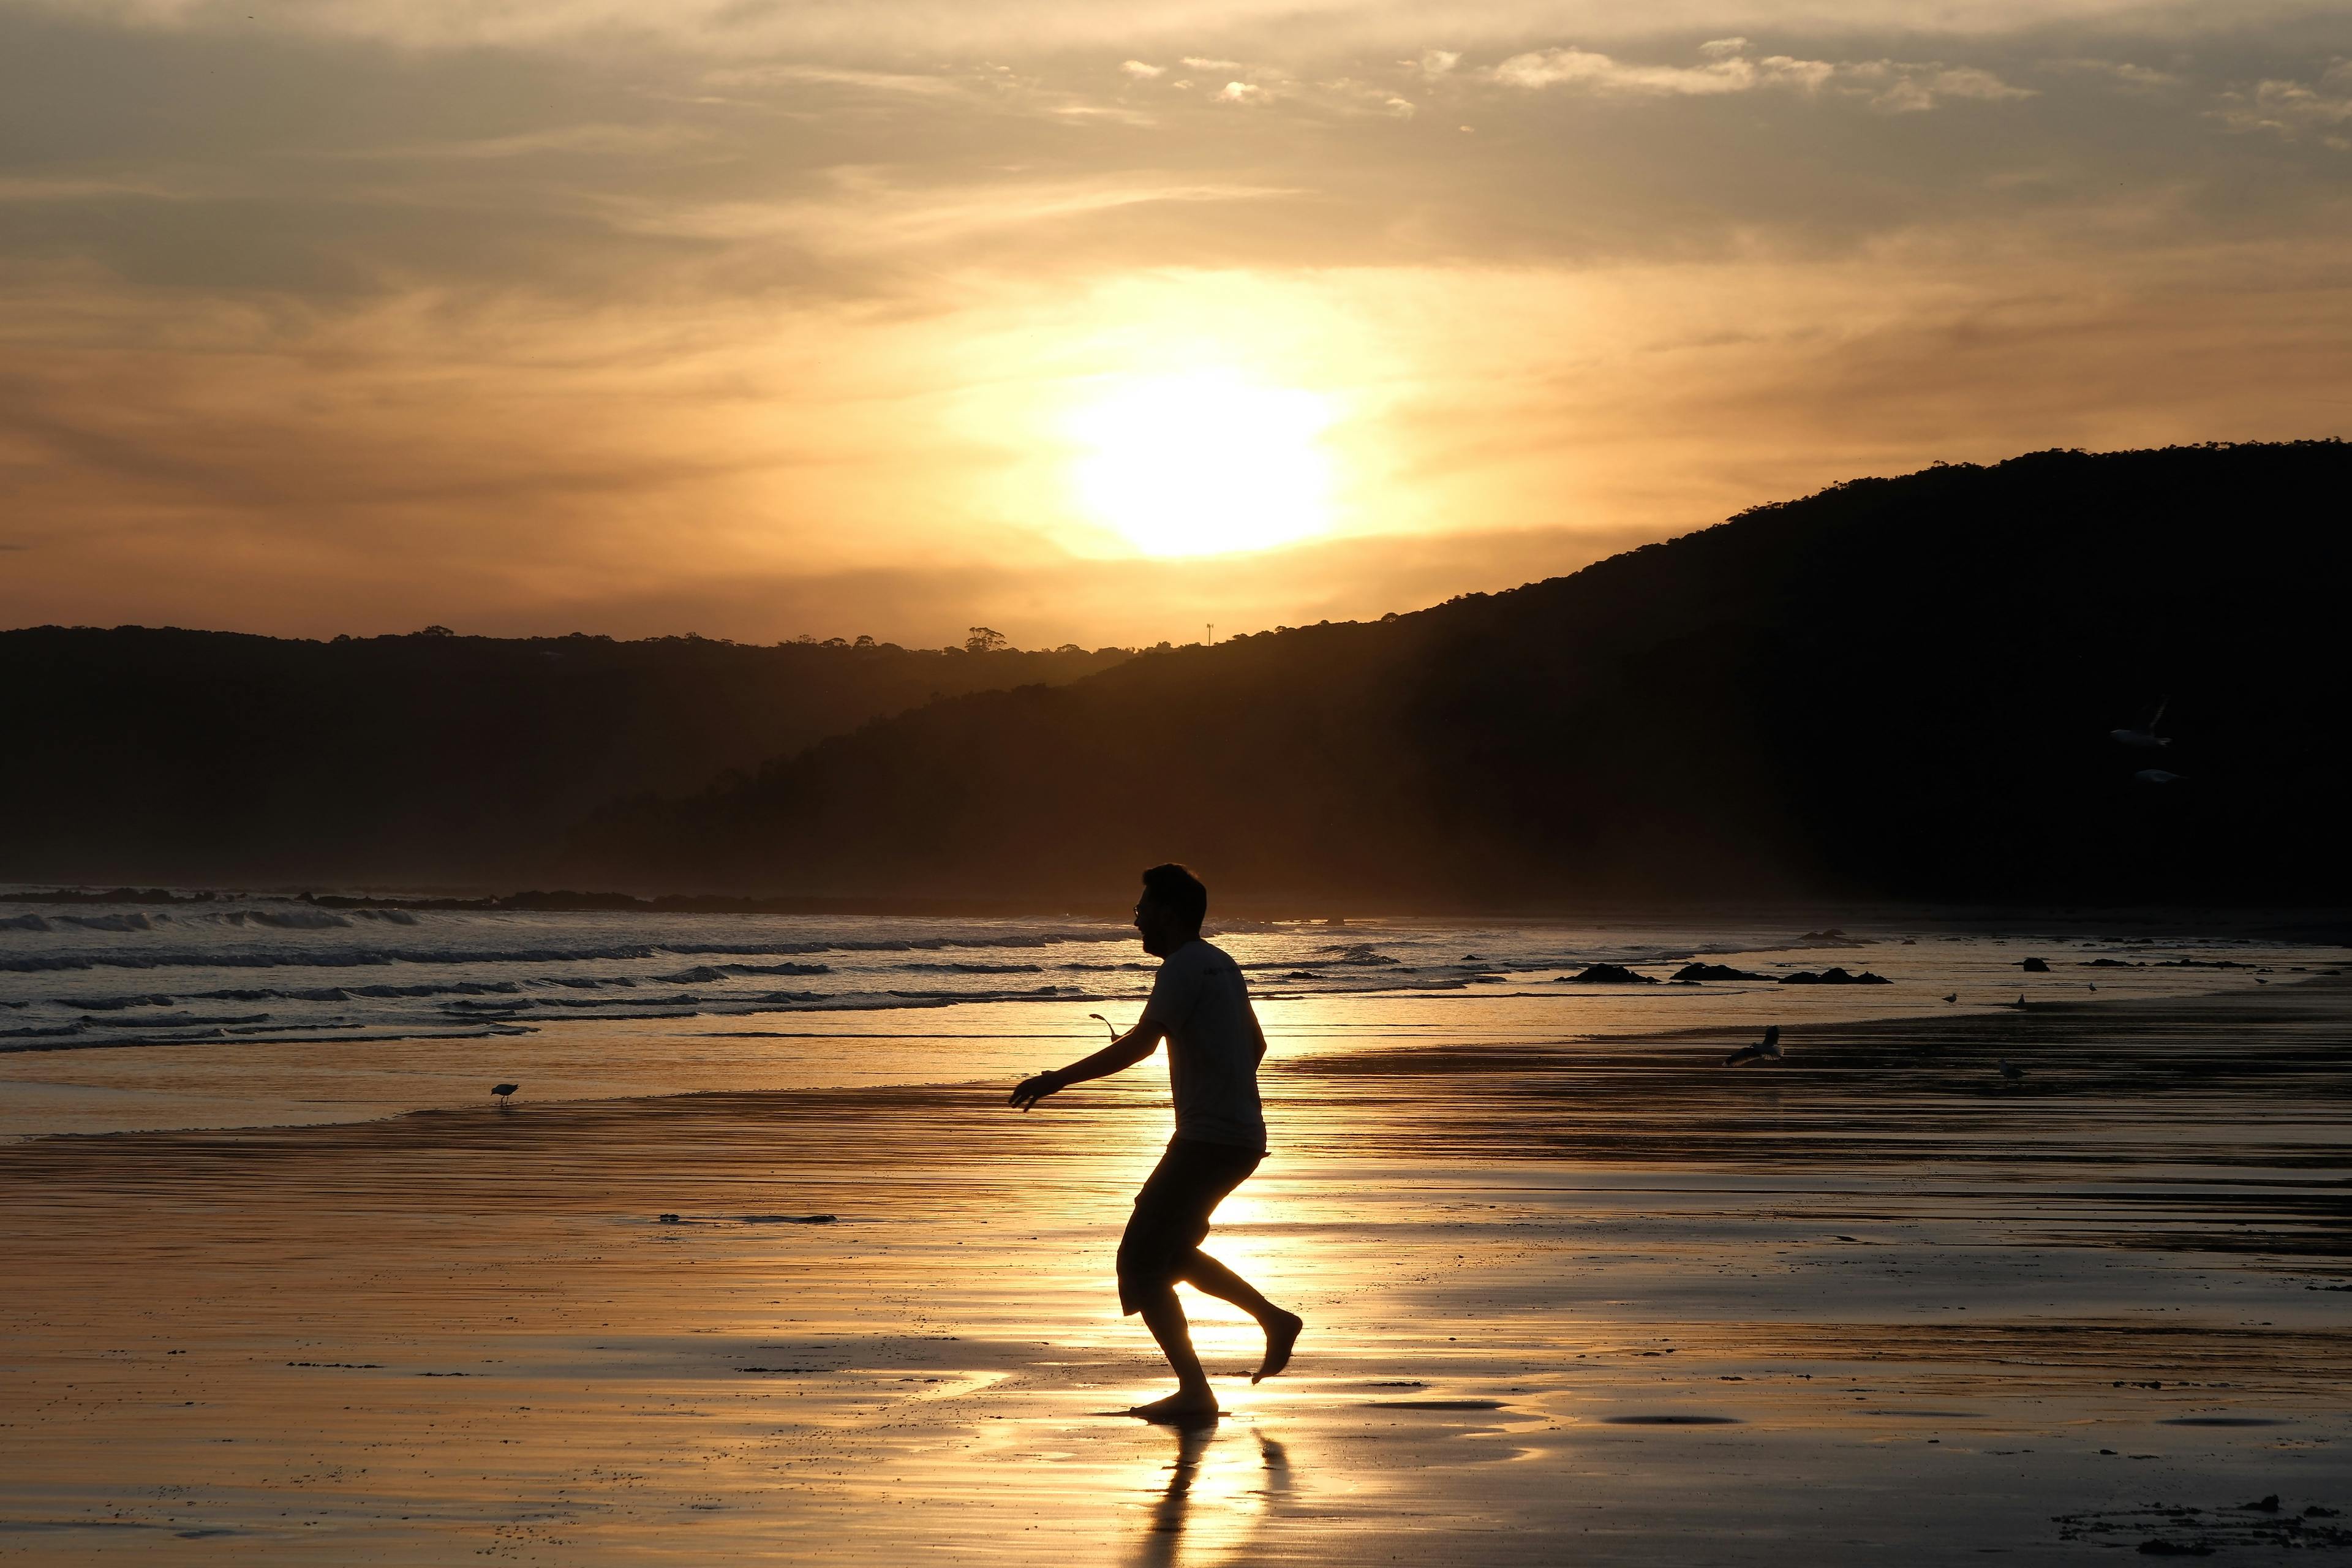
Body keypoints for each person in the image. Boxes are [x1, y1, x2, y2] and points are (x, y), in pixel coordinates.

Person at [1009, 863, 1302, 1423]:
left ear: (1169, 913)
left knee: (1141, 1264)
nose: (1137, 919)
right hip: (1237, 1136)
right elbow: (1257, 1044)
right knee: (1166, 1255)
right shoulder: (1221, 964)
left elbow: (1140, 1046)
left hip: (1208, 1140)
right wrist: (1223, 1087)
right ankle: (1270, 1321)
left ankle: (1199, 1390)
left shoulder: (1183, 968)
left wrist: (1055, 1080)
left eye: (1143, 909)